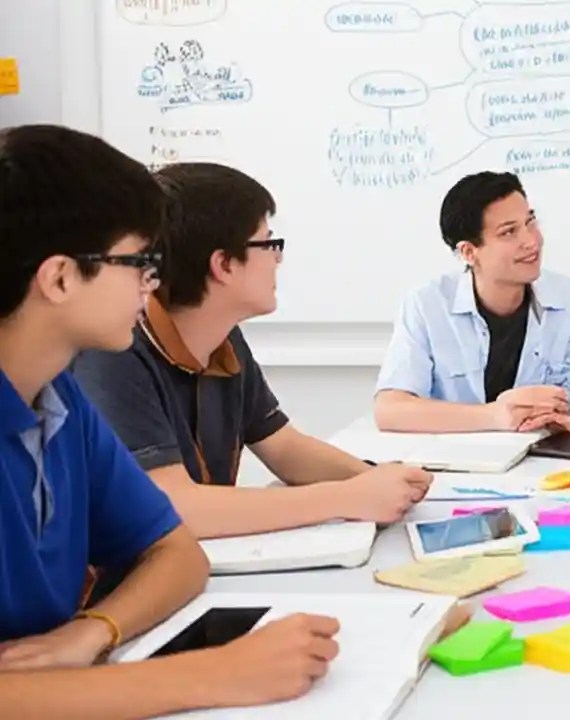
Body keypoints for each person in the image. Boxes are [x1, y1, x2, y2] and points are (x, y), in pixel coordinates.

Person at [0, 124, 343, 716]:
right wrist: (220, 674)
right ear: (59, 277)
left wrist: (94, 631)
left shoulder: (58, 400)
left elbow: (179, 554)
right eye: (137, 262)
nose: (151, 283)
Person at [73, 162, 431, 541]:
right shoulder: (113, 351)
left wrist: (378, 478)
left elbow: (284, 447)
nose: (277, 258)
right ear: (224, 264)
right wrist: (345, 497)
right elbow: (174, 505)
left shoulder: (224, 341)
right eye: (268, 243)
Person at [374, 171, 570, 433]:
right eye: (509, 232)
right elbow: (390, 410)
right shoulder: (426, 305)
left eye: (530, 222)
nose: (531, 241)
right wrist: (494, 416)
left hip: (539, 456)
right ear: (469, 252)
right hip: (446, 459)